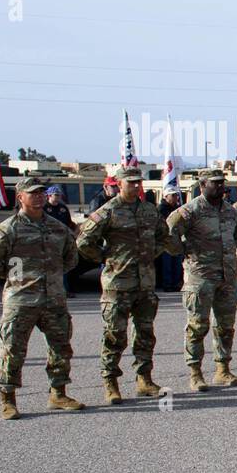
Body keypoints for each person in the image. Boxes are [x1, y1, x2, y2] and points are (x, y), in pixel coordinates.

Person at [0, 177, 85, 418]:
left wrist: (51, 276)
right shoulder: (8, 229)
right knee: (12, 349)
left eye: (41, 193)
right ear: (20, 197)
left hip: (54, 300)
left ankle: (58, 394)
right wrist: (18, 278)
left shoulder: (58, 228)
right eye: (33, 193)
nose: (38, 197)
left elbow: (71, 258)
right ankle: (8, 400)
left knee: (60, 348)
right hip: (21, 300)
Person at [76, 166, 170, 403]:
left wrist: (152, 254)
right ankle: (111, 382)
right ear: (119, 185)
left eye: (139, 182)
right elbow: (84, 242)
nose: (137, 186)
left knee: (145, 334)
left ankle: (144, 380)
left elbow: (163, 236)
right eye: (131, 183)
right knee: (114, 335)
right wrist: (106, 258)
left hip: (145, 284)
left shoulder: (149, 210)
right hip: (117, 283)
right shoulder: (108, 211)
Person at [165, 168, 237, 391]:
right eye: (215, 183)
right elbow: (168, 235)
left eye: (222, 183)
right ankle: (195, 373)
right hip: (200, 277)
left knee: (225, 326)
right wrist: (185, 252)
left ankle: (222, 370)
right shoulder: (189, 211)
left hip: (226, 277)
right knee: (197, 326)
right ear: (202, 186)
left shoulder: (231, 212)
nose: (220, 187)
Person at [43, 186, 78, 298]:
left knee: (64, 266)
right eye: (56, 195)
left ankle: (65, 289)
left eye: (59, 195)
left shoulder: (62, 208)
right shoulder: (44, 208)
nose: (58, 197)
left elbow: (69, 223)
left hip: (62, 240)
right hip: (48, 240)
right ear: (49, 196)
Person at [156, 190, 184, 292]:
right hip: (166, 241)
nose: (176, 197)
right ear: (166, 196)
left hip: (177, 240)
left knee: (177, 264)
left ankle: (176, 283)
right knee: (167, 264)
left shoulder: (178, 209)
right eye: (173, 195)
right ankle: (167, 284)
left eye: (176, 195)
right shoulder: (161, 209)